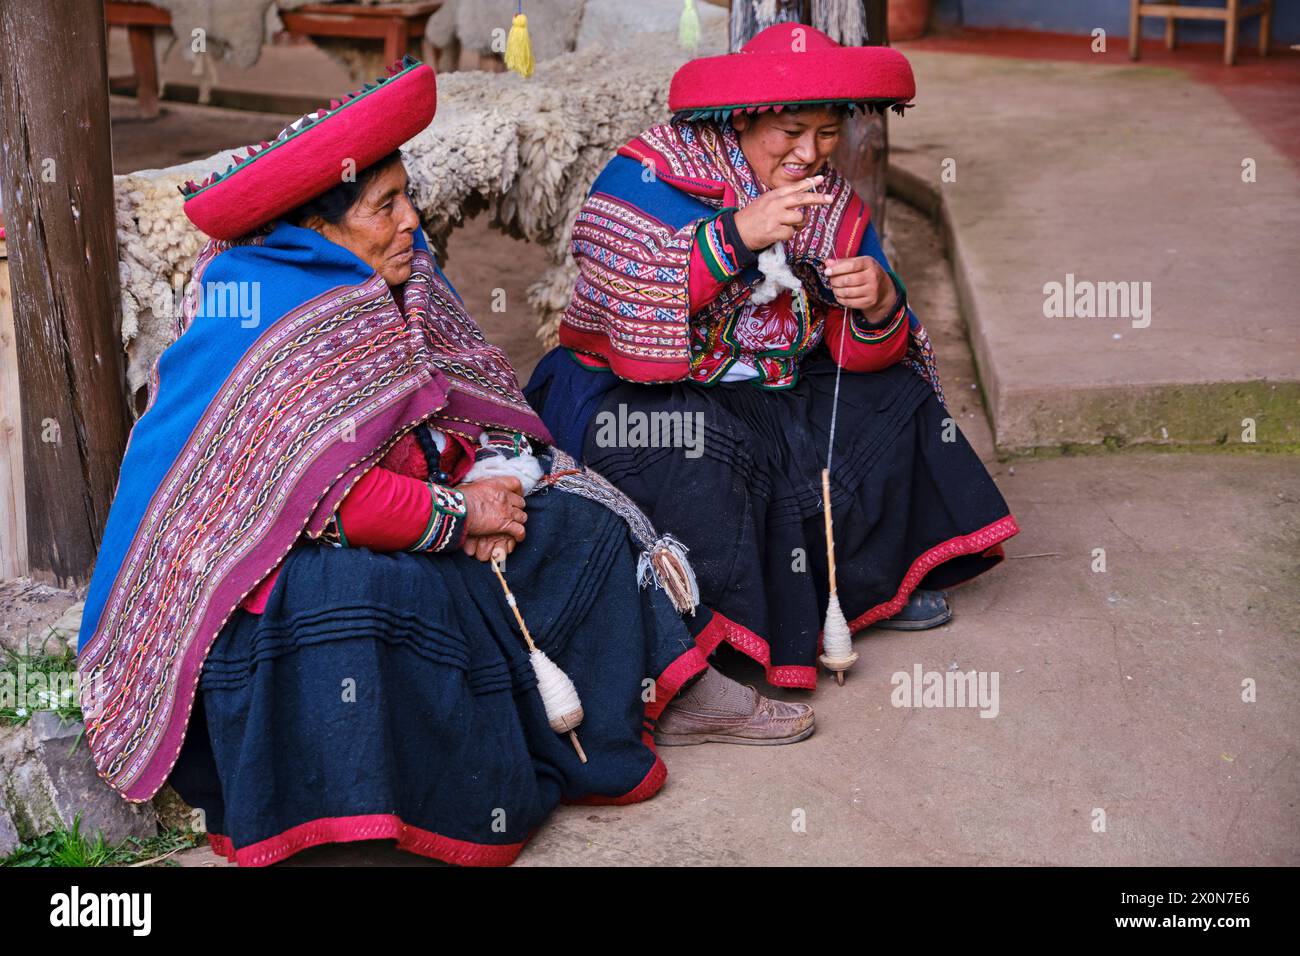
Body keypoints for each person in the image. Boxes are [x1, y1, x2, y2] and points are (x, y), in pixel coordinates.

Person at [76, 57, 812, 869]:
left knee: (580, 523)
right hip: (259, 580)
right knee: (373, 594)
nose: (411, 221)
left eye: (407, 196)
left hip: (404, 511)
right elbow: (324, 498)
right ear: (317, 231)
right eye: (384, 205)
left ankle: (657, 693)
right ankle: (368, 813)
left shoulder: (395, 279)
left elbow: (443, 410)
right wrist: (460, 517)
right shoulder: (273, 308)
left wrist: (487, 477)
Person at [526, 25, 1020, 693]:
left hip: (767, 379)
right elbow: (625, 302)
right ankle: (721, 623)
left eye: (825, 133)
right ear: (743, 115)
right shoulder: (651, 170)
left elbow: (860, 345)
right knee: (703, 454)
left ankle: (858, 587)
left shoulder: (829, 201)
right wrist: (736, 236)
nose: (809, 153)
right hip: (634, 389)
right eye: (789, 131)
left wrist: (875, 300)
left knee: (896, 402)